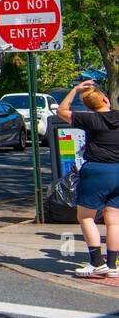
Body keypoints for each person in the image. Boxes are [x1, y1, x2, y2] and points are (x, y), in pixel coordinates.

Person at [56, 80, 119, 278]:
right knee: (114, 221)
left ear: (87, 106)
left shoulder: (88, 119)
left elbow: (61, 110)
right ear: (104, 99)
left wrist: (74, 89)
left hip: (97, 170)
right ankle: (113, 265)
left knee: (86, 216)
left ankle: (96, 262)